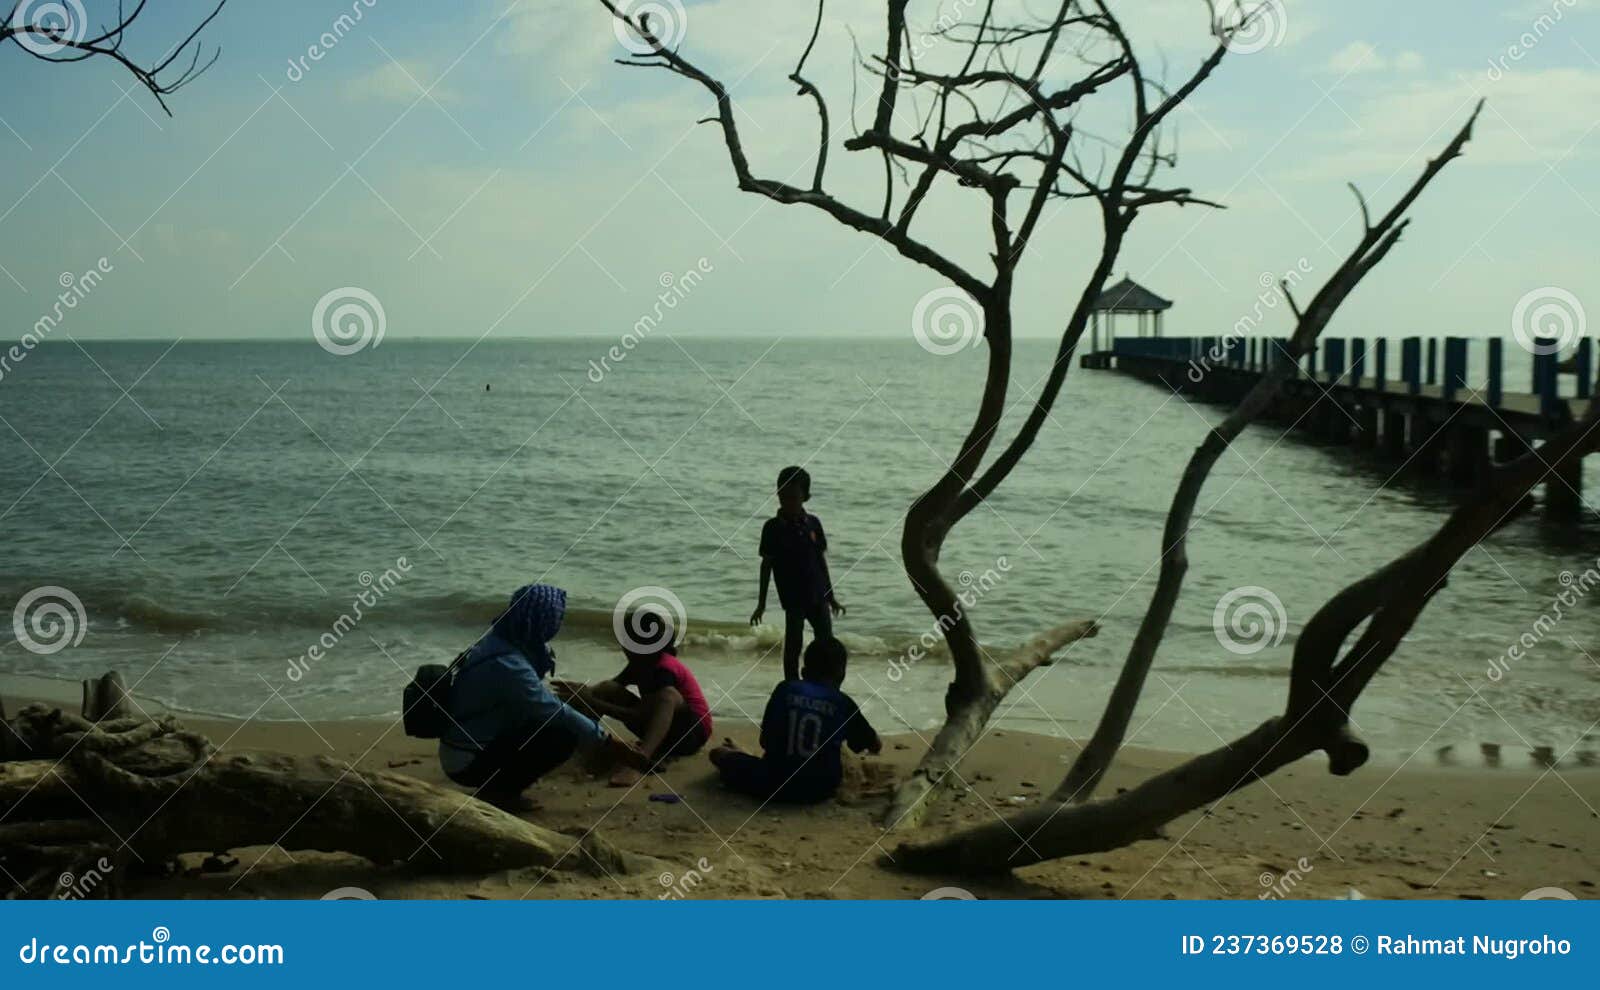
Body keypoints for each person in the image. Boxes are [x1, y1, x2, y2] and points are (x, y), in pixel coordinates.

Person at [438, 583, 641, 811]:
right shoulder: (509, 665)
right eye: (556, 618)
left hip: (463, 747)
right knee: (563, 735)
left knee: (559, 717)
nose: (558, 623)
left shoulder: (500, 641)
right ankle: (500, 793)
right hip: (467, 761)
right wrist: (608, 740)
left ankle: (500, 785)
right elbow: (554, 711)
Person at [710, 637, 880, 804]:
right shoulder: (843, 702)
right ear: (841, 674)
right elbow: (873, 745)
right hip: (821, 790)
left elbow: (765, 741)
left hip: (772, 783)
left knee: (718, 754)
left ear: (803, 671)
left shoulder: (785, 689)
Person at [554, 608, 713, 776]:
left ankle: (641, 757)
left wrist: (590, 701)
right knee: (607, 688)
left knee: (667, 696)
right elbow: (608, 690)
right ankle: (581, 744)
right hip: (662, 731)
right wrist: (578, 694)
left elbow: (638, 715)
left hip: (691, 735)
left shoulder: (663, 670)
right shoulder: (640, 663)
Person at [749, 465, 845, 682]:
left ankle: (827, 684)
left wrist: (831, 597)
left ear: (806, 497)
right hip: (792, 598)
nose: (787, 501)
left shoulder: (813, 524)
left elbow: (821, 561)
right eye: (782, 495)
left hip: (818, 595)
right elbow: (766, 567)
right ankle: (791, 685)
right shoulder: (772, 528)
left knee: (826, 644)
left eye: (793, 496)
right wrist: (761, 604)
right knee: (793, 645)